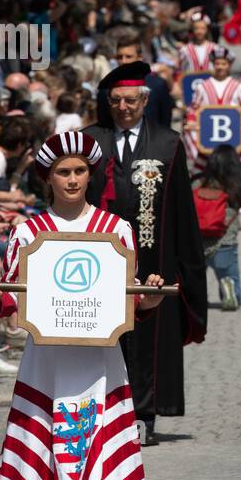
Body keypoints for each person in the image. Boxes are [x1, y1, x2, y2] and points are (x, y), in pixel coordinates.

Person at [0, 131, 163, 480]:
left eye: (80, 170)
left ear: (90, 174)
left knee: (94, 436)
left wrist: (150, 295)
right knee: (54, 437)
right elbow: (6, 303)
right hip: (48, 358)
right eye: (63, 171)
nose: (72, 179)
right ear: (48, 177)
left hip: (99, 356)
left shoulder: (115, 229)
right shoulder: (27, 233)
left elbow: (132, 299)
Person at [85, 61, 208, 447]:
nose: (124, 107)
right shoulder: (90, 141)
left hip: (154, 258)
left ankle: (144, 415)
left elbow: (183, 212)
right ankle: (100, 412)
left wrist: (188, 271)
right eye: (117, 100)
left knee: (149, 338)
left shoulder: (167, 143)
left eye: (131, 100)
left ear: (144, 100)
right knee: (103, 332)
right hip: (101, 258)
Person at [194, 145, 241, 310]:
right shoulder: (239, 185)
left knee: (195, 278)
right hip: (225, 240)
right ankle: (229, 287)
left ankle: (195, 299)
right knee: (228, 274)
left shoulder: (199, 182)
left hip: (197, 240)